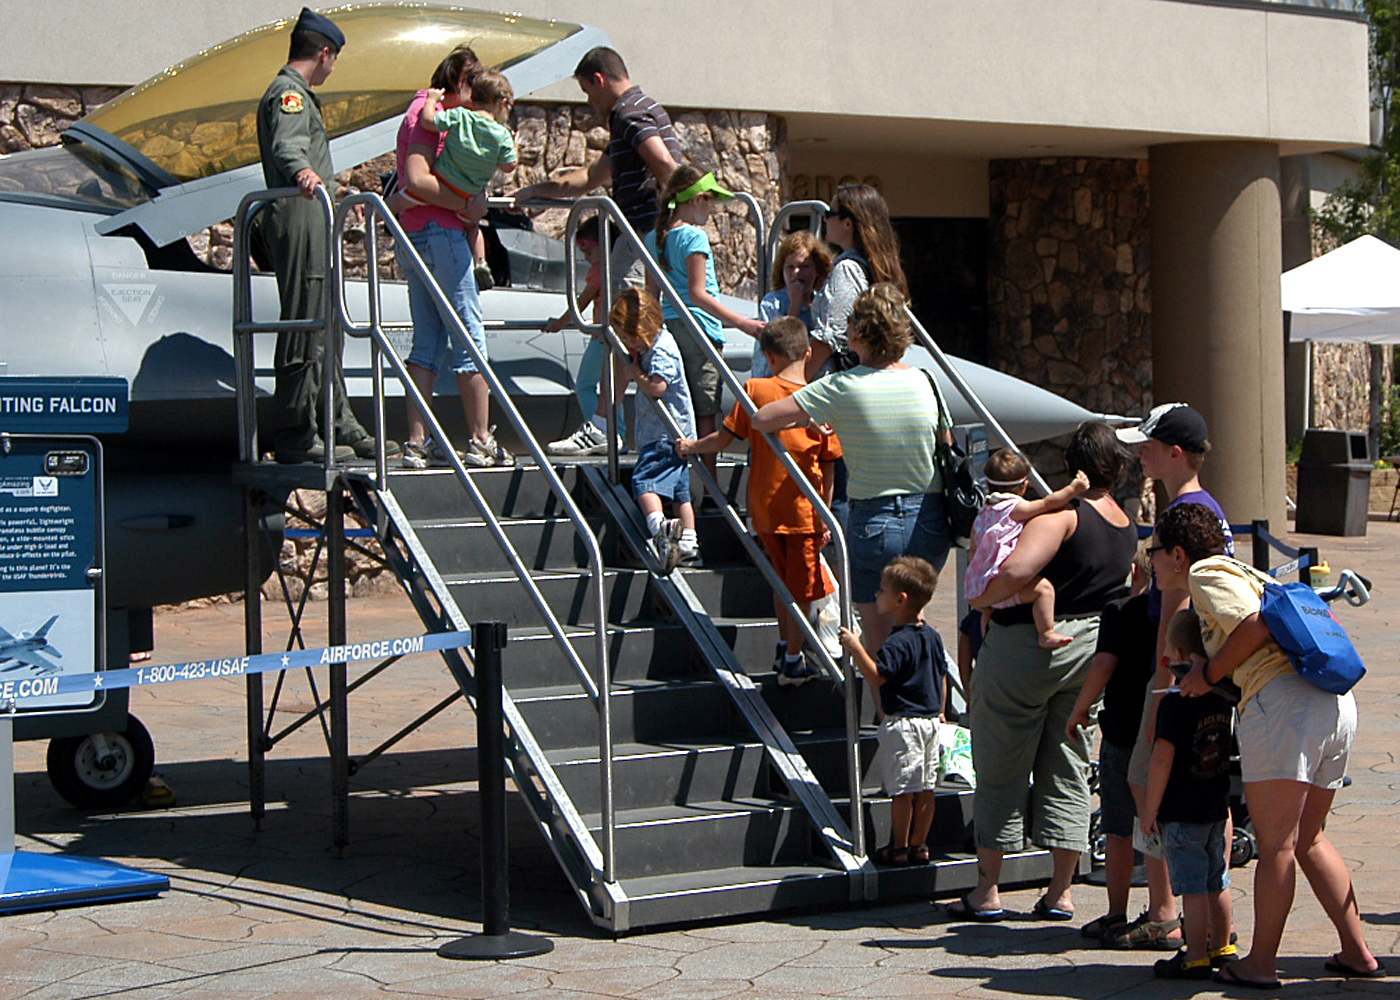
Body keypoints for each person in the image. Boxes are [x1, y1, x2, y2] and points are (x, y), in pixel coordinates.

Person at [1165, 503, 1384, 987]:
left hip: (1284, 707)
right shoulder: (1249, 568)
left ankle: (1260, 963)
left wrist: (1209, 672)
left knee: (1277, 845)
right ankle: (1358, 953)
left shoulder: (1205, 572)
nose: (1155, 562)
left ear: (1177, 554)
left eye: (1156, 552)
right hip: (1332, 701)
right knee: (1310, 838)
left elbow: (1254, 624)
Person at [952, 420, 1136, 924]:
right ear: (1116, 468)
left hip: (1026, 649)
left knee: (1000, 761)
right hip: (1088, 651)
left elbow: (1014, 571)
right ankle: (1060, 891)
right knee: (1070, 761)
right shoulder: (1125, 520)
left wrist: (979, 599)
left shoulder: (1062, 516)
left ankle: (988, 890)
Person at [753, 284, 952, 655]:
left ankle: (886, 711)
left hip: (875, 520)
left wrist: (811, 420)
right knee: (914, 625)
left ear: (859, 333)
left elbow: (764, 419)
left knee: (878, 638)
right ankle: (931, 708)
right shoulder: (926, 381)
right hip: (930, 516)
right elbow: (947, 443)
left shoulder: (841, 386)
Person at [1111, 400, 1231, 948]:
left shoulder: (1180, 516)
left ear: (1174, 453)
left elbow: (1180, 605)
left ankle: (1167, 911)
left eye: (1149, 445)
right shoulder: (1210, 510)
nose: (1141, 454)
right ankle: (1198, 904)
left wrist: (1163, 683)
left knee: (1148, 780)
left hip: (1178, 670)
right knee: (1203, 790)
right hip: (1206, 673)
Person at [253, 7, 394, 465]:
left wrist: (337, 189)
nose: (333, 70)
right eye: (335, 60)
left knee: (326, 322)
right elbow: (288, 147)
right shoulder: (289, 95)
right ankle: (296, 430)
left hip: (314, 214)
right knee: (304, 321)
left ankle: (336, 421)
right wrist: (304, 172)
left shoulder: (298, 95)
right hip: (298, 217)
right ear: (325, 53)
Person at [678, 316, 842, 685]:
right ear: (809, 352)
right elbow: (830, 463)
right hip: (802, 513)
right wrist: (826, 511)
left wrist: (691, 447)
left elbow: (723, 438)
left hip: (766, 511)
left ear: (769, 357)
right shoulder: (821, 399)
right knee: (800, 589)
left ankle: (789, 648)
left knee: (783, 584)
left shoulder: (755, 389)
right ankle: (794, 657)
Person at [392, 45, 514, 470]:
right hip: (437, 234)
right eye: (474, 81)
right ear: (459, 83)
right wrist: (469, 207)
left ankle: (417, 443)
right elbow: (417, 180)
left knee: (427, 341)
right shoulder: (433, 110)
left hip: (421, 234)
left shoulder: (456, 118)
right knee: (469, 337)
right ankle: (480, 439)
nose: (479, 91)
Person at [512, 46, 680, 293]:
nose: (589, 102)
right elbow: (591, 177)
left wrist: (671, 219)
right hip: (647, 230)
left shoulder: (627, 113)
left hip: (644, 229)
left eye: (587, 91)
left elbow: (665, 164)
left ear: (599, 80)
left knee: (627, 310)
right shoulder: (644, 106)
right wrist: (535, 190)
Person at [645, 165, 765, 480]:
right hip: (700, 329)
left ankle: (679, 480)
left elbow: (651, 295)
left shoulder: (653, 237)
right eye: (710, 201)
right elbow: (699, 294)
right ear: (697, 199)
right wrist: (742, 323)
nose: (712, 209)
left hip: (670, 327)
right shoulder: (693, 236)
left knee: (678, 405)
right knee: (705, 411)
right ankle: (708, 485)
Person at [1063, 544, 1154, 945]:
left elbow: (1104, 664)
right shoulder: (1180, 613)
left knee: (1119, 828)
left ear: (1135, 571)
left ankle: (1117, 912)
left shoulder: (1120, 612)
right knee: (1157, 827)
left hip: (1122, 731)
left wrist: (1079, 709)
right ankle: (1164, 908)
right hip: (1159, 731)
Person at [1141, 607, 1237, 979]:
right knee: (1219, 879)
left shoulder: (1174, 705)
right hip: (1215, 806)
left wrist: (1150, 810)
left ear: (1180, 657)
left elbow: (1162, 761)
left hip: (1182, 811)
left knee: (1193, 888)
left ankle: (1195, 954)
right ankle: (1223, 945)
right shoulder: (1221, 698)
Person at [837, 556, 946, 867]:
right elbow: (941, 675)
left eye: (882, 590)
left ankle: (898, 847)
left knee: (903, 790)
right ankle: (920, 845)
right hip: (929, 720)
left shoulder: (895, 643)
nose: (876, 596)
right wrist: (939, 709)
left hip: (903, 722)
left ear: (901, 599)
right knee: (926, 788)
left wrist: (856, 647)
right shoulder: (932, 636)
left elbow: (876, 676)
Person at [965, 448, 1091, 650]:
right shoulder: (1015, 509)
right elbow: (1049, 503)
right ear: (1024, 486)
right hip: (1001, 582)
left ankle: (987, 616)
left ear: (987, 485)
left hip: (979, 584)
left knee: (990, 606)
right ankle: (1046, 633)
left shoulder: (982, 515)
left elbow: (973, 550)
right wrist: (1074, 488)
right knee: (1044, 590)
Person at [612, 288, 696, 574]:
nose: (629, 344)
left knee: (644, 481)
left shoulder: (662, 349)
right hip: (678, 431)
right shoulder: (655, 345)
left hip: (663, 433)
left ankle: (660, 529)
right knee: (681, 492)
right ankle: (688, 541)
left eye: (631, 337)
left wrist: (636, 374)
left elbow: (657, 388)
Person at [418, 71, 518, 285]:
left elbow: (427, 121)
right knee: (473, 227)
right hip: (470, 193)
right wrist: (515, 146)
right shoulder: (502, 135)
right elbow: (509, 166)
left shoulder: (460, 115)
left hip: (441, 182)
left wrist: (431, 100)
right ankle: (480, 261)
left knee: (401, 198)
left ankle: (365, 222)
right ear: (502, 102)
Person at [807, 183, 908, 381]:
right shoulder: (876, 268)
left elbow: (829, 337)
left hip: (833, 383)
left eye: (830, 213)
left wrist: (797, 381)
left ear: (848, 223)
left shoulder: (847, 270)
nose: (825, 219)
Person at [544, 217, 626, 456]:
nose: (587, 259)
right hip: (606, 334)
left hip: (602, 336)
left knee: (585, 386)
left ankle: (600, 430)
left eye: (589, 252)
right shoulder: (614, 267)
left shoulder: (600, 272)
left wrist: (560, 322)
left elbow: (583, 301)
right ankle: (615, 432)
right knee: (610, 387)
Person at [751, 231, 833, 379]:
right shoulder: (772, 303)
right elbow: (780, 346)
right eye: (790, 267)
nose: (797, 272)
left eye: (804, 266)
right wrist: (795, 304)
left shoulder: (822, 302)